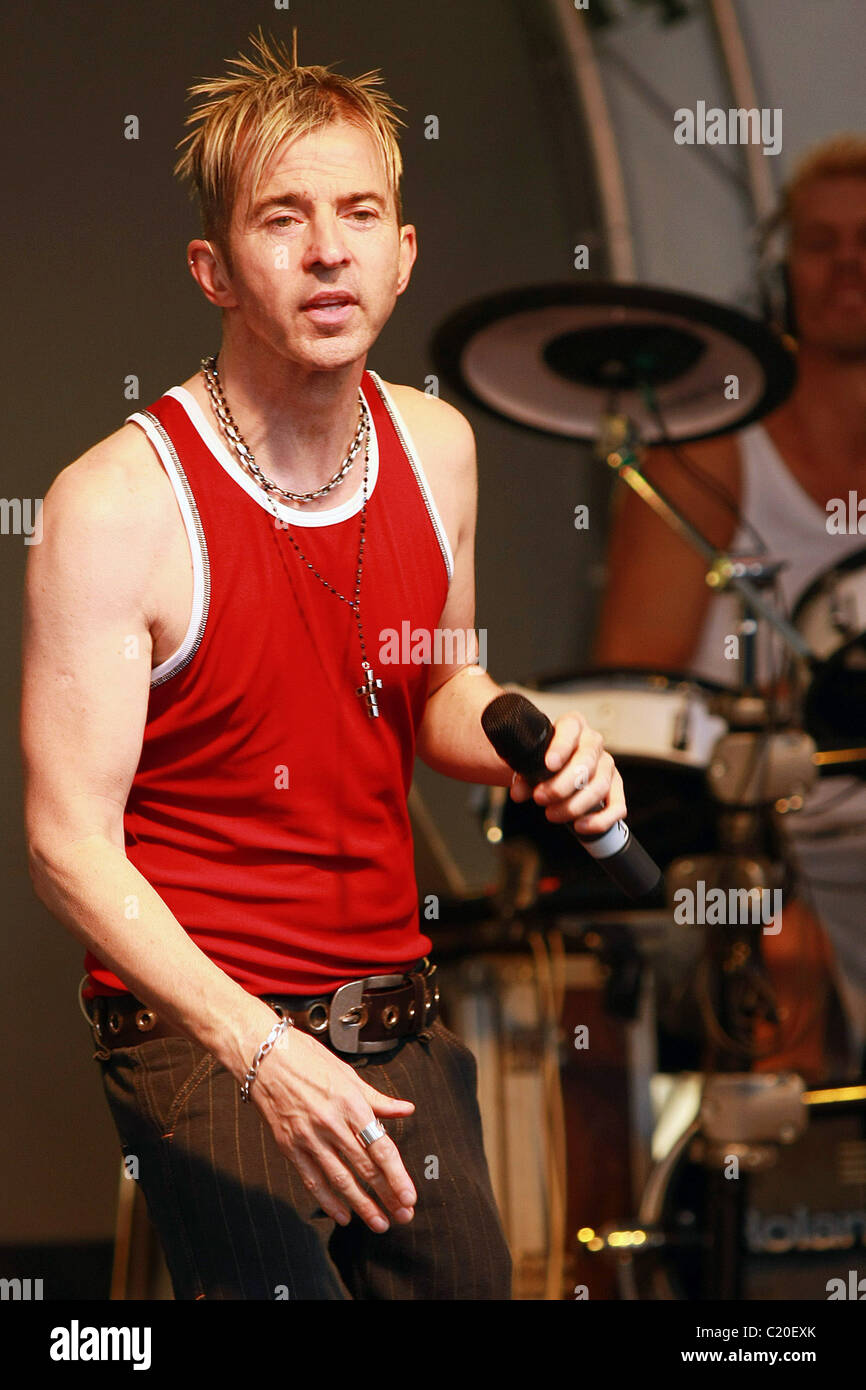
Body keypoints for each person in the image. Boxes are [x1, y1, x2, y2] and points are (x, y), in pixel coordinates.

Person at [21, 31, 628, 1301]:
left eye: (359, 213)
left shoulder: (437, 447)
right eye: (282, 219)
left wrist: (531, 732)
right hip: (199, 1024)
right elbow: (68, 844)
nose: (327, 249)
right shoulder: (116, 503)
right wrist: (254, 1047)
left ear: (404, 251)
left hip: (389, 1010)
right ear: (214, 268)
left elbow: (435, 687)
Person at [593, 134, 866, 1080]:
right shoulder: (706, 459)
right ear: (782, 271)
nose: (849, 265)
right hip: (740, 838)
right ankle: (788, 1212)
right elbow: (630, 711)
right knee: (784, 946)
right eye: (823, 243)